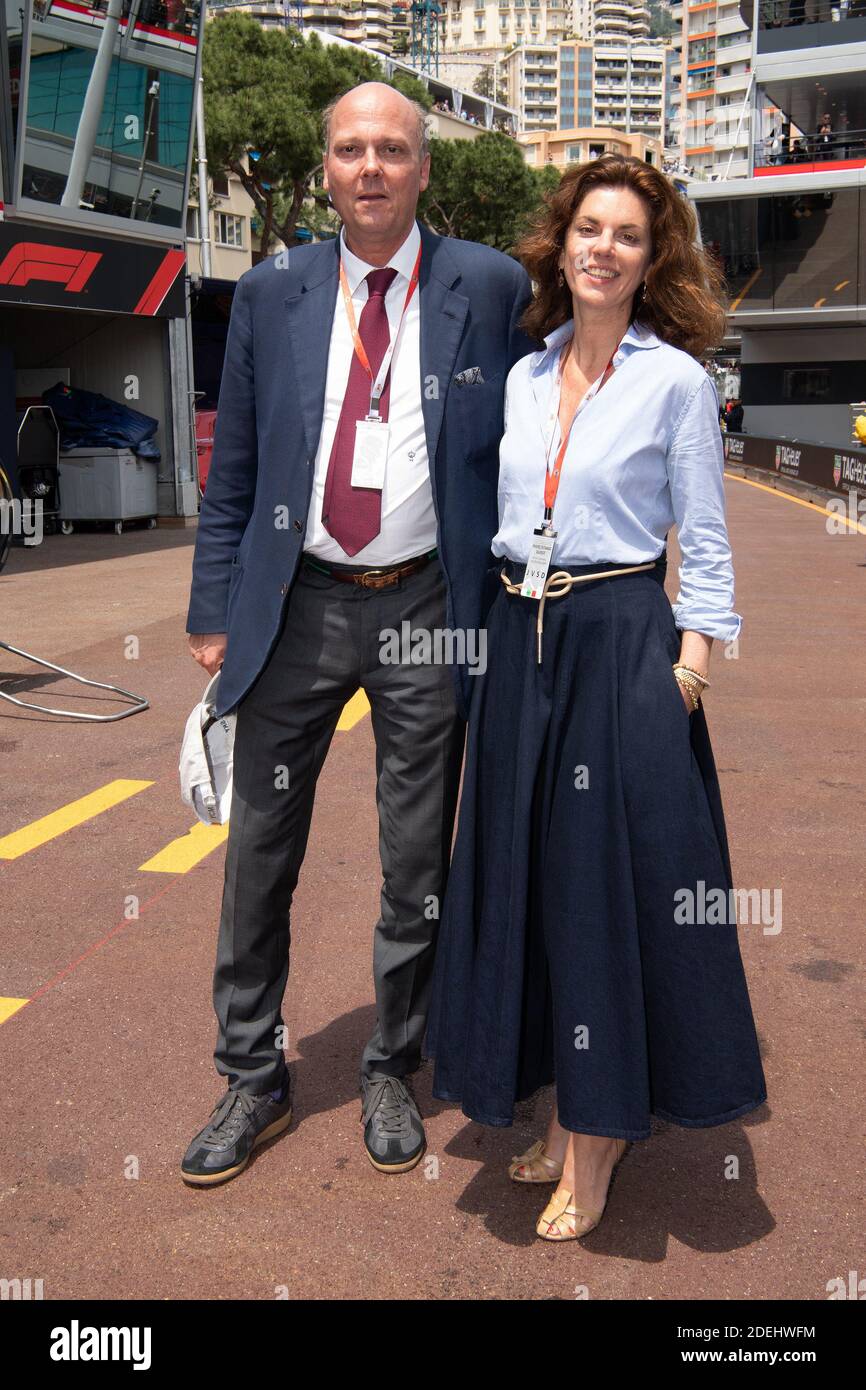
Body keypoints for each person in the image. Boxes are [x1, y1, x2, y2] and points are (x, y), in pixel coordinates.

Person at [181, 82, 535, 1186]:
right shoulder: (272, 292)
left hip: (429, 603)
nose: (371, 168)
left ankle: (391, 1059)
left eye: (392, 149)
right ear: (324, 170)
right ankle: (250, 1073)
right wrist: (210, 612)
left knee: (414, 855)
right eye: (350, 150)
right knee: (256, 851)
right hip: (295, 606)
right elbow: (231, 469)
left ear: (424, 168)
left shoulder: (489, 282)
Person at [425, 154, 767, 1242]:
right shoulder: (523, 377)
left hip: (621, 638)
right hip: (519, 640)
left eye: (625, 233)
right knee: (524, 880)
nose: (602, 248)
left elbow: (701, 543)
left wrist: (690, 670)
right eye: (587, 228)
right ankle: (568, 1098)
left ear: (647, 256)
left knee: (604, 890)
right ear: (560, 243)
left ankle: (601, 1136)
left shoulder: (673, 382)